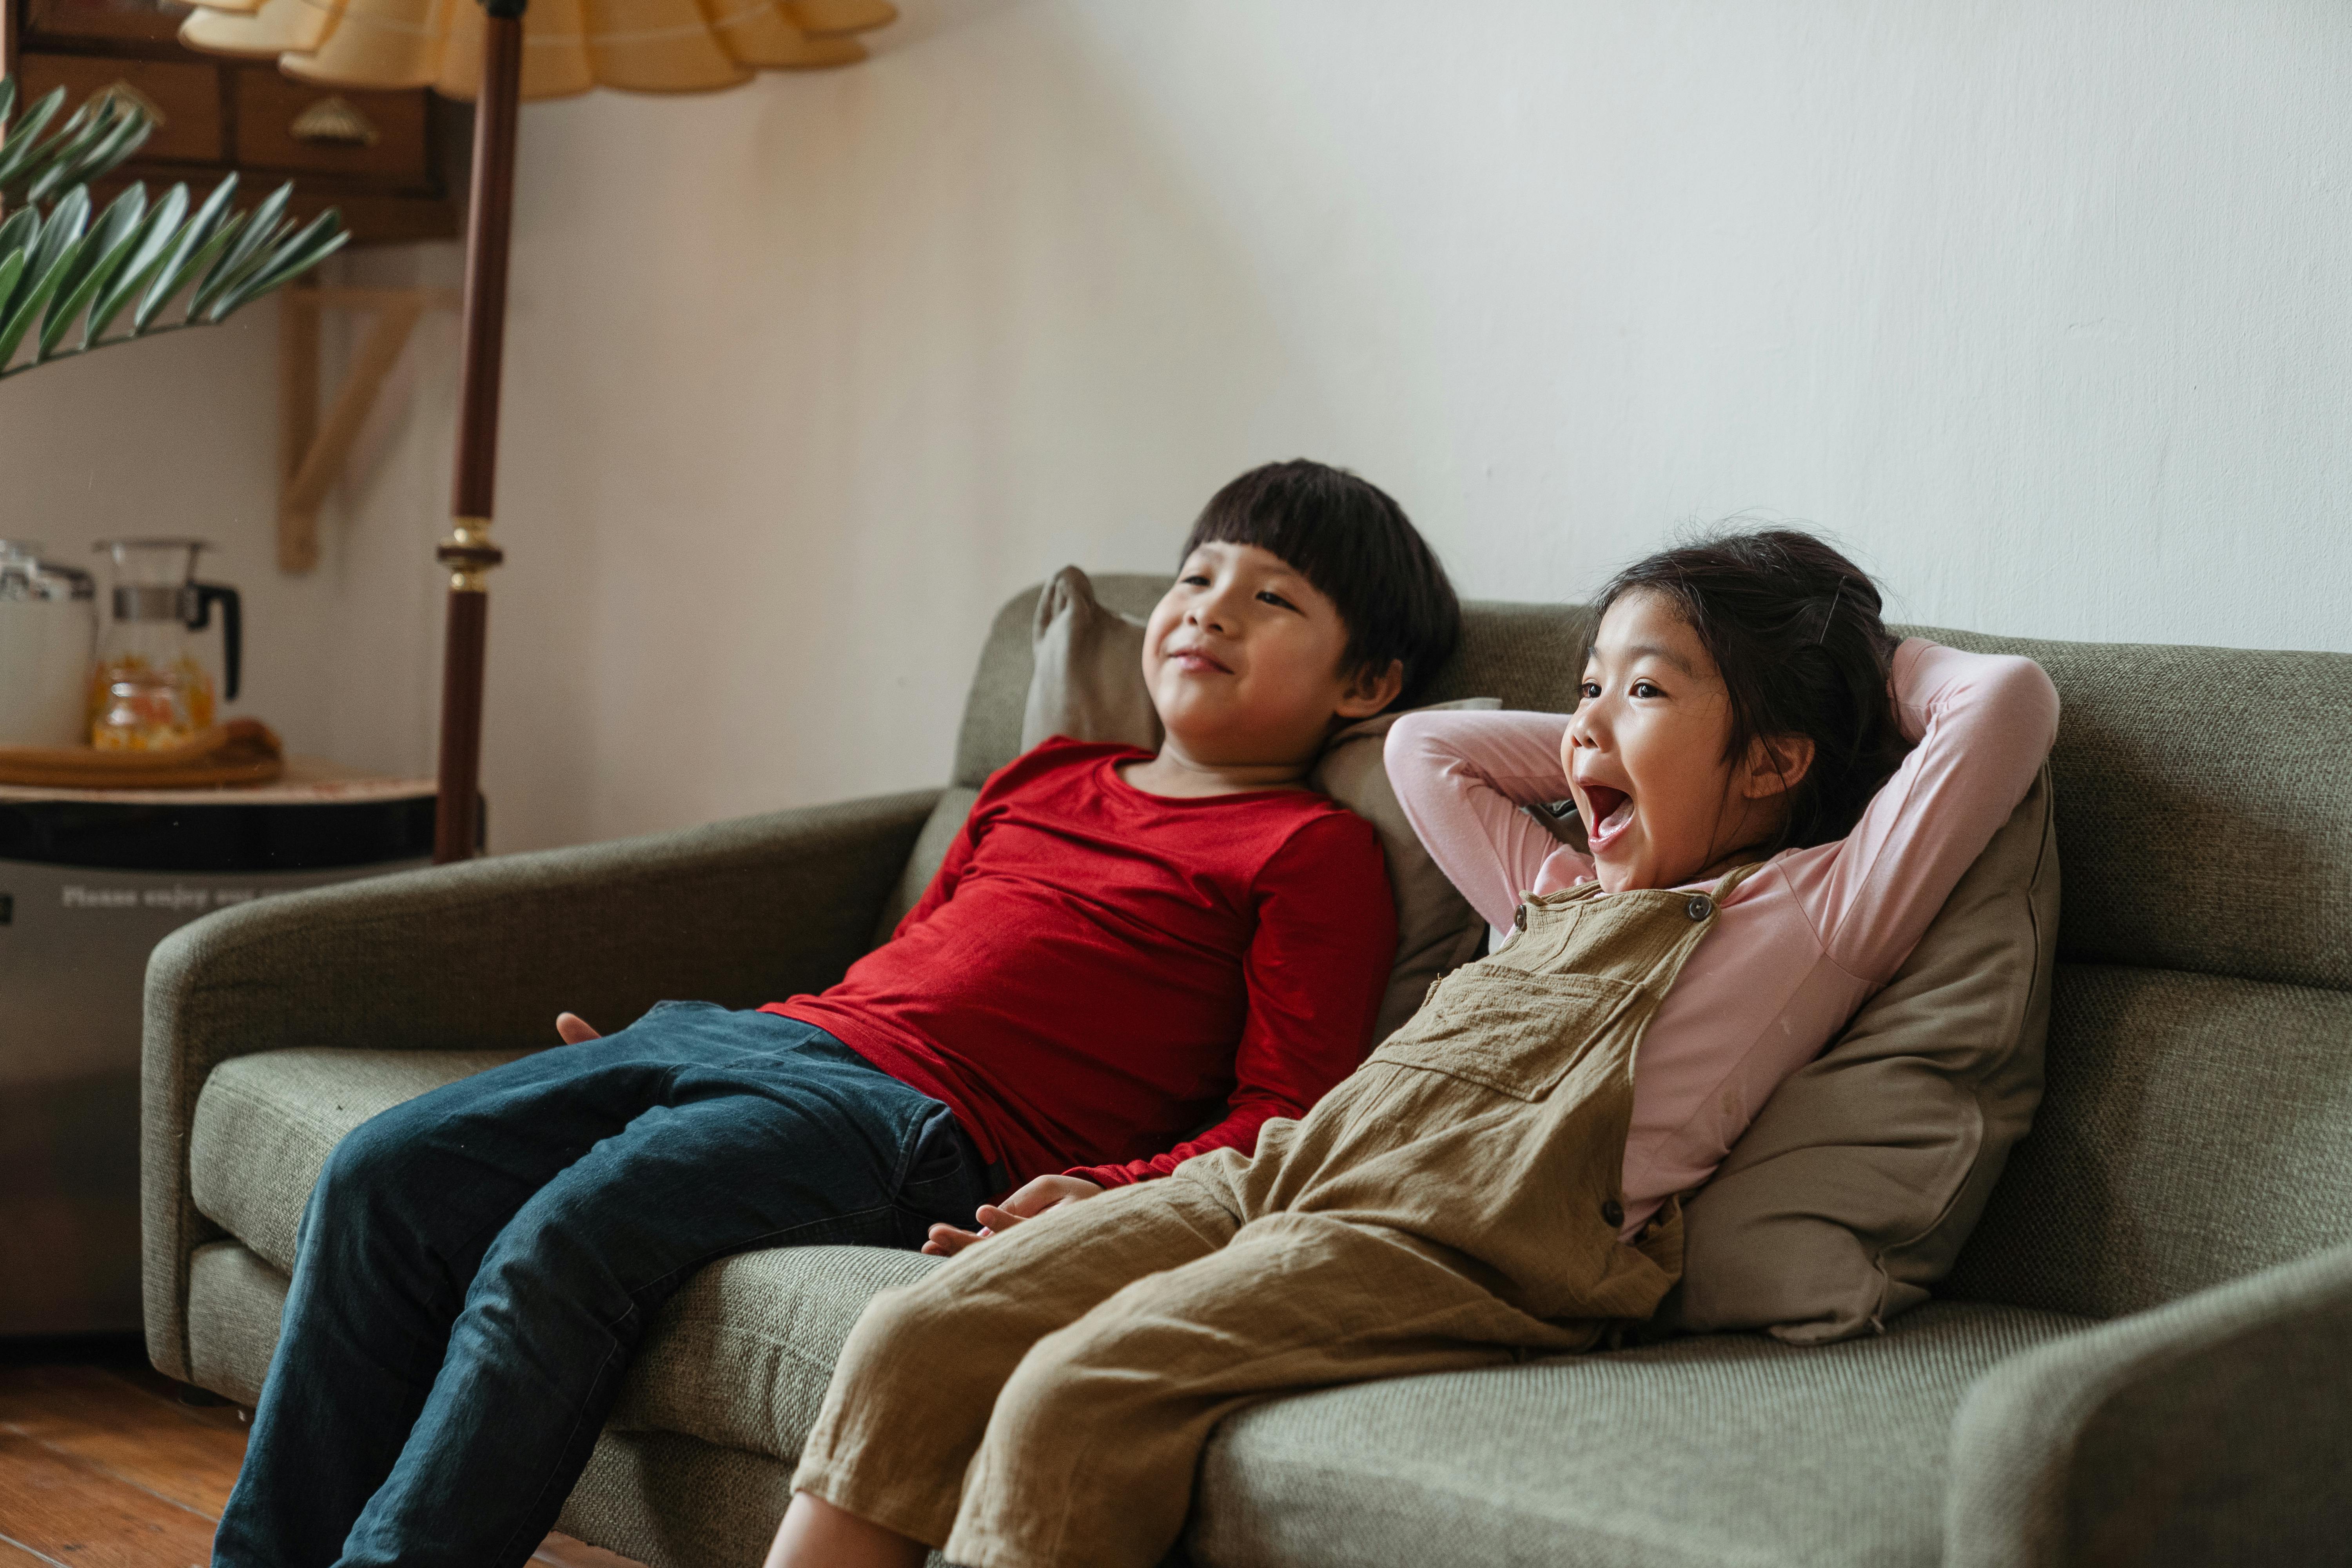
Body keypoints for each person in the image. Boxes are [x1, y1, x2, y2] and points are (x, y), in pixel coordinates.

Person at [210, 459, 1463, 1568]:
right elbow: (915, 957)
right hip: (753, 1036)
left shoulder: (1309, 850)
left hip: (916, 1121)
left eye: (1273, 598)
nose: (1210, 610)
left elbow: (1284, 1111)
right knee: (382, 1172)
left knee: (569, 1237)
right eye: (1199, 576)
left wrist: (1115, 1191)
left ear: (1369, 684)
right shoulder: (1048, 775)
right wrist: (659, 1061)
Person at [765, 528, 2062, 1568]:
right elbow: (1425, 745)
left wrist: (1845, 663)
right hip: (1284, 1175)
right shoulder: (1547, 884)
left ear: (1780, 757)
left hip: (1463, 1242)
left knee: (1080, 1391)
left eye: (1648, 688)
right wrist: (1625, 716)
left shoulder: (1814, 910)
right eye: (1584, 685)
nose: (1587, 726)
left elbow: (2003, 702)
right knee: (917, 1333)